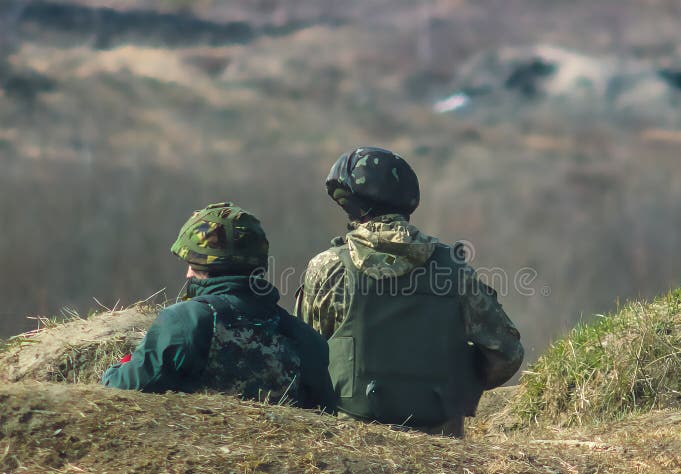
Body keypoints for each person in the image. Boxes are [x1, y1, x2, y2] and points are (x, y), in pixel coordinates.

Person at [295, 147, 524, 436]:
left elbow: (303, 356)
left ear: (353, 206)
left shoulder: (328, 267)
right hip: (440, 445)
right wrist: (454, 379)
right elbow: (506, 353)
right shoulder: (452, 270)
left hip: (349, 441)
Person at [102, 202, 336, 413]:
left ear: (211, 267)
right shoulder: (305, 339)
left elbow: (123, 387)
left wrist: (120, 366)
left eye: (193, 266)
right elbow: (325, 417)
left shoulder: (186, 322)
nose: (187, 274)